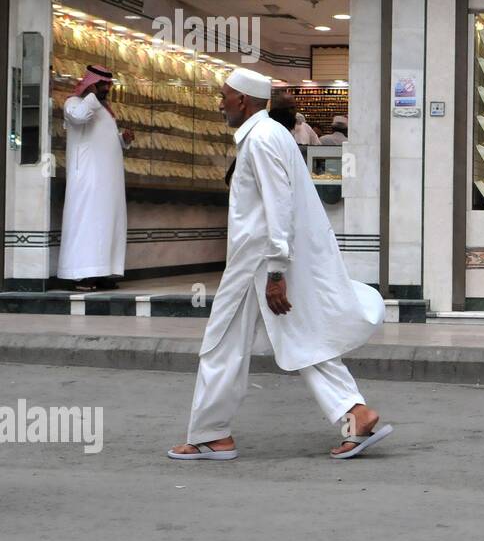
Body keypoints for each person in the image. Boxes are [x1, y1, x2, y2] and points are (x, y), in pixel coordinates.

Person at [169, 68, 390, 461]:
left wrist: (274, 273)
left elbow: (279, 208)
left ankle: (212, 435)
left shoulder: (262, 141)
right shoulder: (269, 135)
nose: (220, 104)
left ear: (242, 100)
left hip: (257, 264)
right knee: (301, 337)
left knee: (221, 343)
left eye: (224, 96)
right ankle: (355, 414)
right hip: (263, 262)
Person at [57, 65, 133, 292]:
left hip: (108, 181)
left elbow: (102, 139)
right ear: (90, 83)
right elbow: (79, 119)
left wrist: (123, 139)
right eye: (102, 85)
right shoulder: (74, 103)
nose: (106, 90)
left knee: (108, 223)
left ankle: (101, 272)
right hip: (87, 179)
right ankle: (82, 275)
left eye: (107, 86)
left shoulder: (102, 109)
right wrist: (90, 94)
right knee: (88, 223)